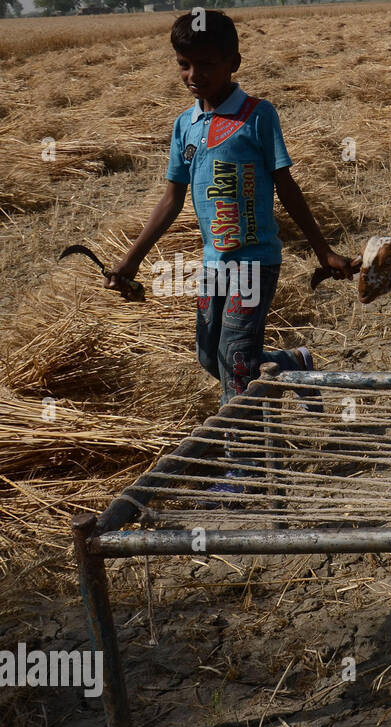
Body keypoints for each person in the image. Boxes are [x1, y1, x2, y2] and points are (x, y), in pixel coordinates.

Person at [104, 10, 353, 493]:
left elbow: (287, 185)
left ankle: (248, 469)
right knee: (210, 355)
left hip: (256, 262)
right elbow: (172, 198)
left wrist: (323, 250)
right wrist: (131, 260)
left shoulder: (257, 115)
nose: (194, 76)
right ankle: (290, 363)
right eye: (183, 64)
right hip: (213, 263)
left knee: (235, 362)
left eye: (206, 65)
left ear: (233, 62)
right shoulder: (186, 126)